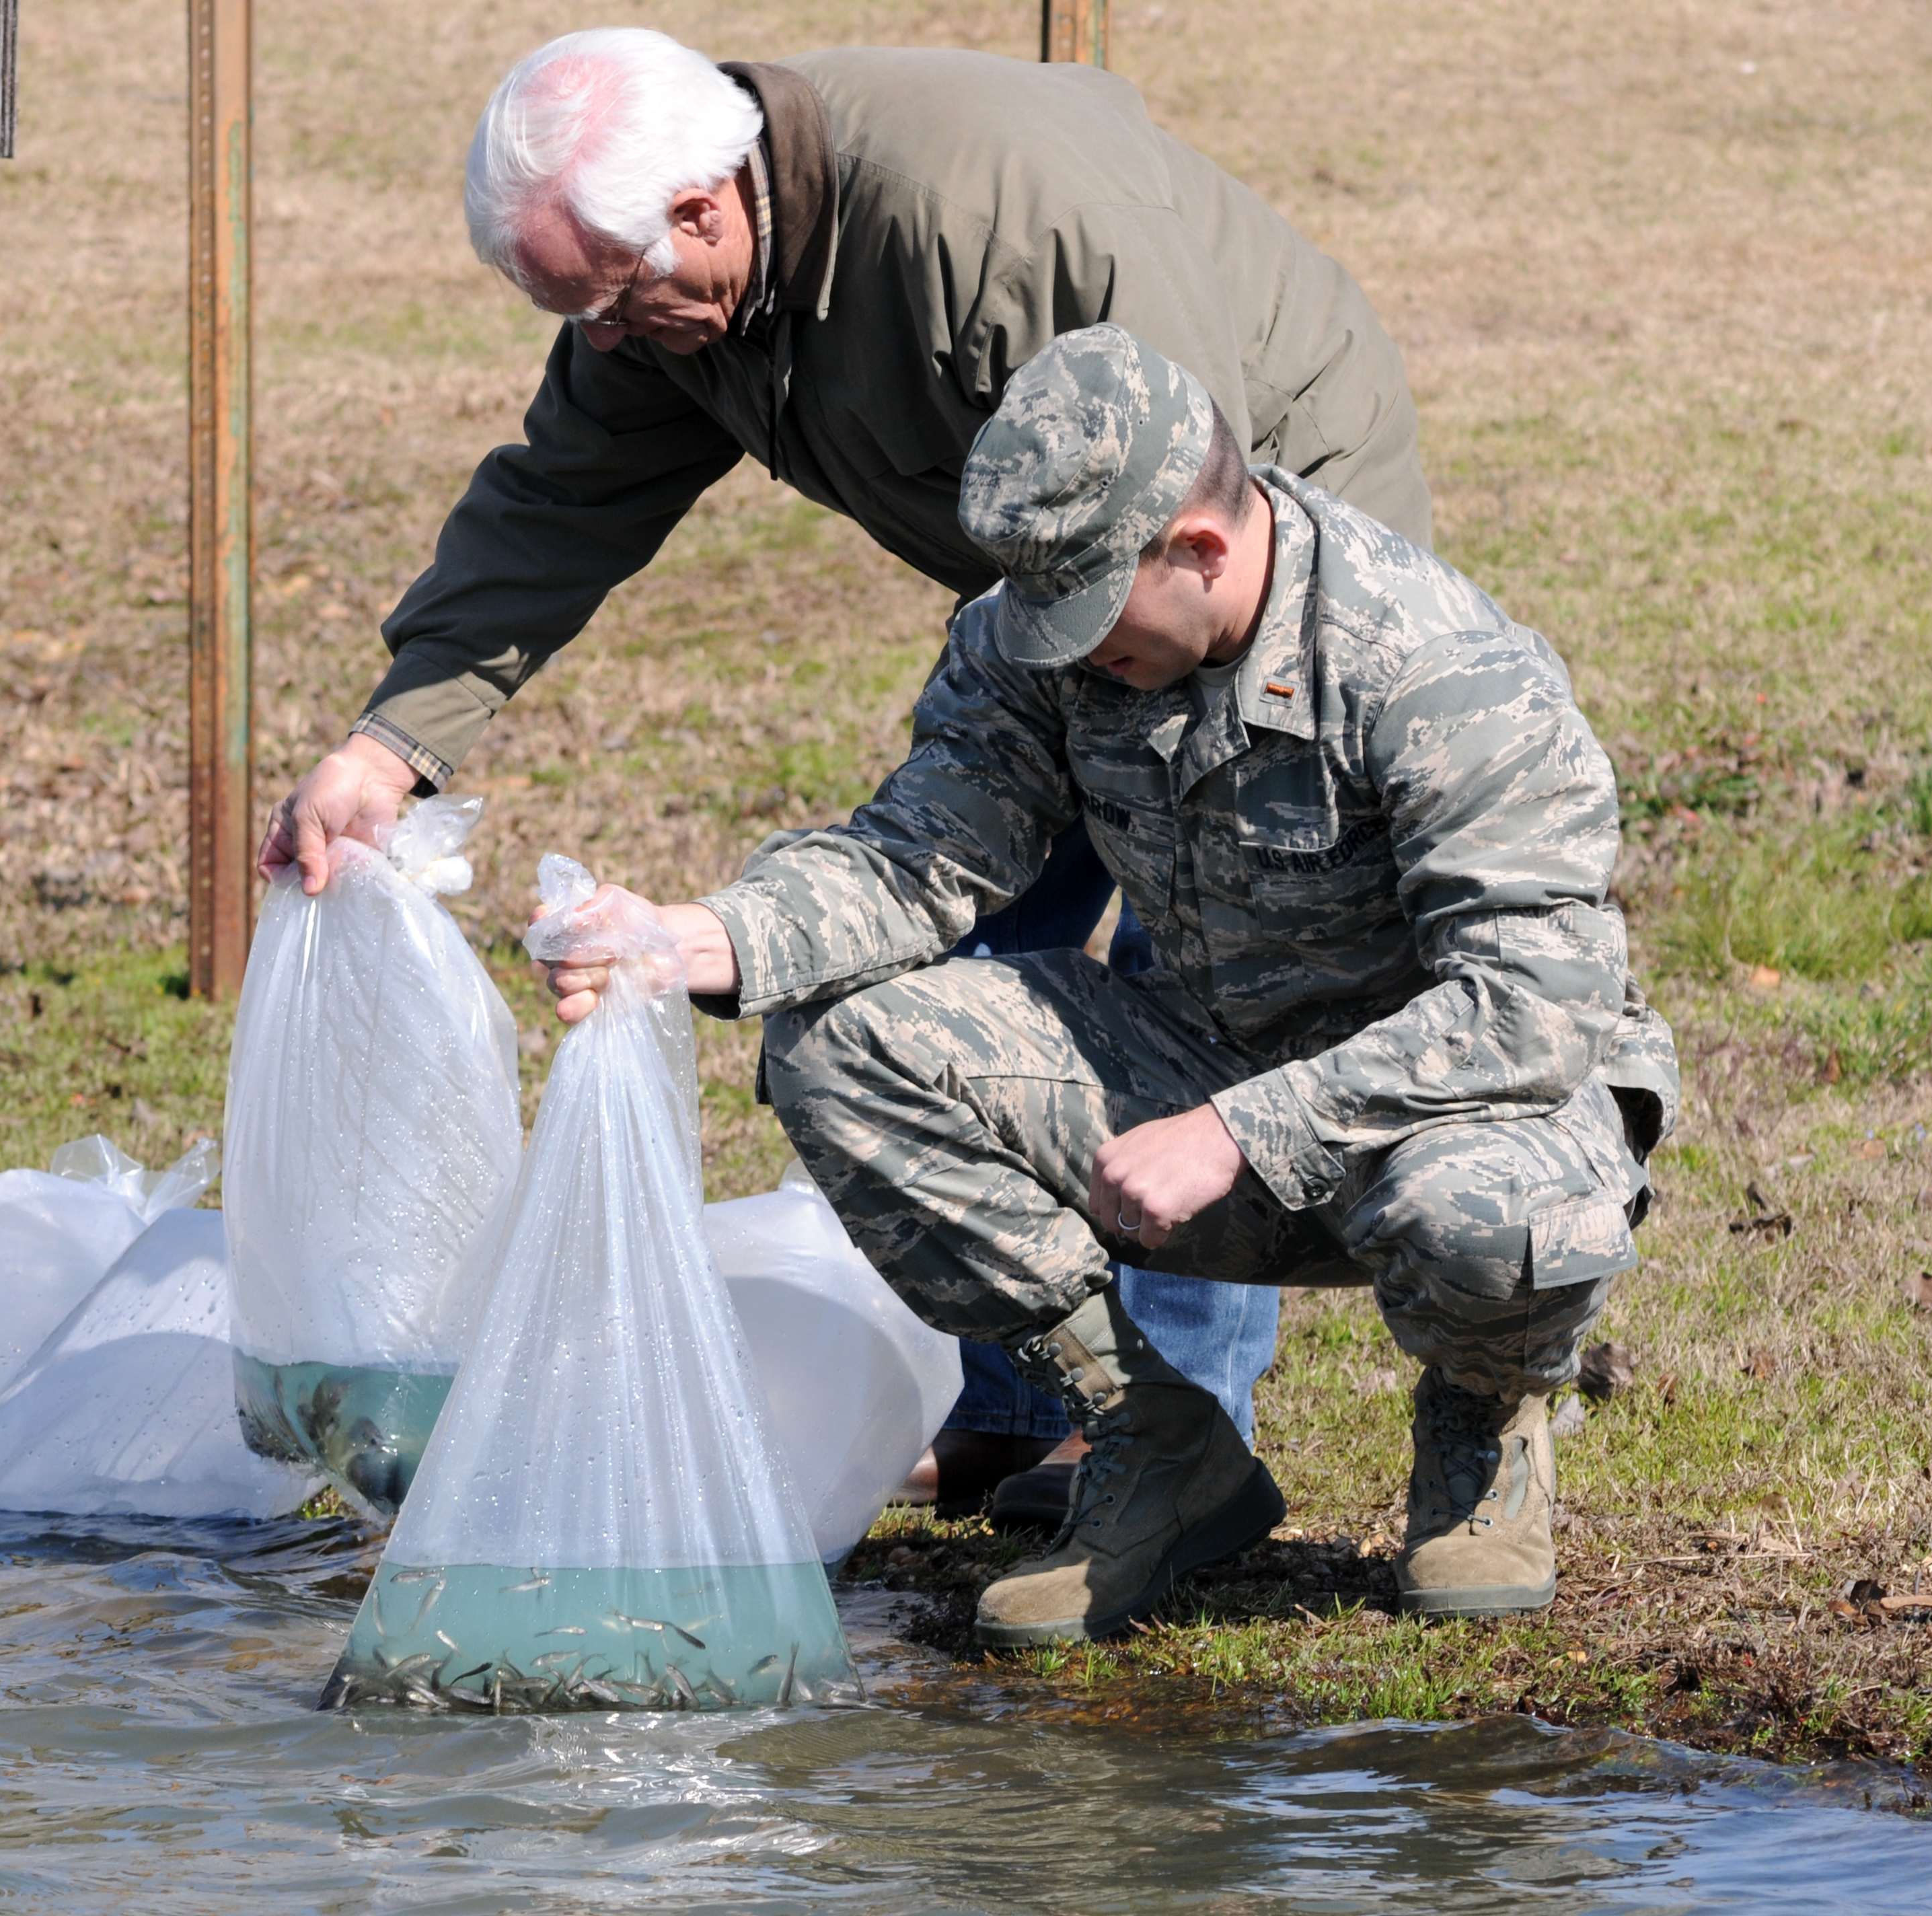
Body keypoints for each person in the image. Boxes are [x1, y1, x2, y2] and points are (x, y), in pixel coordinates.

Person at [260, 27, 1425, 1514]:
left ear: (701, 208)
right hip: (1046, 587)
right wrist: (387, 747)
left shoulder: (984, 219)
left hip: (1235, 535)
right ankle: (1028, 1402)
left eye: (611, 301)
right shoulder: (674, 291)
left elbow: (1189, 485)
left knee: (1186, 969)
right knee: (981, 964)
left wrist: (1146, 727)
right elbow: (557, 503)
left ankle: (1173, 1433)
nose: (602, 341)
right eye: (576, 314)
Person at [532, 326, 1678, 1640]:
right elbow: (923, 853)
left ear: (1199, 548)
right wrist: (693, 937)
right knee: (840, 1041)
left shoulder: (1439, 672)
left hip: (1469, 1109)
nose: (1065, 653)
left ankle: (1483, 1423)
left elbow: (1526, 1009)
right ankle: (1151, 1435)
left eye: (1088, 613)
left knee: (1486, 1212)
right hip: (1213, 1060)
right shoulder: (1046, 639)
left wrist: (1236, 1129)